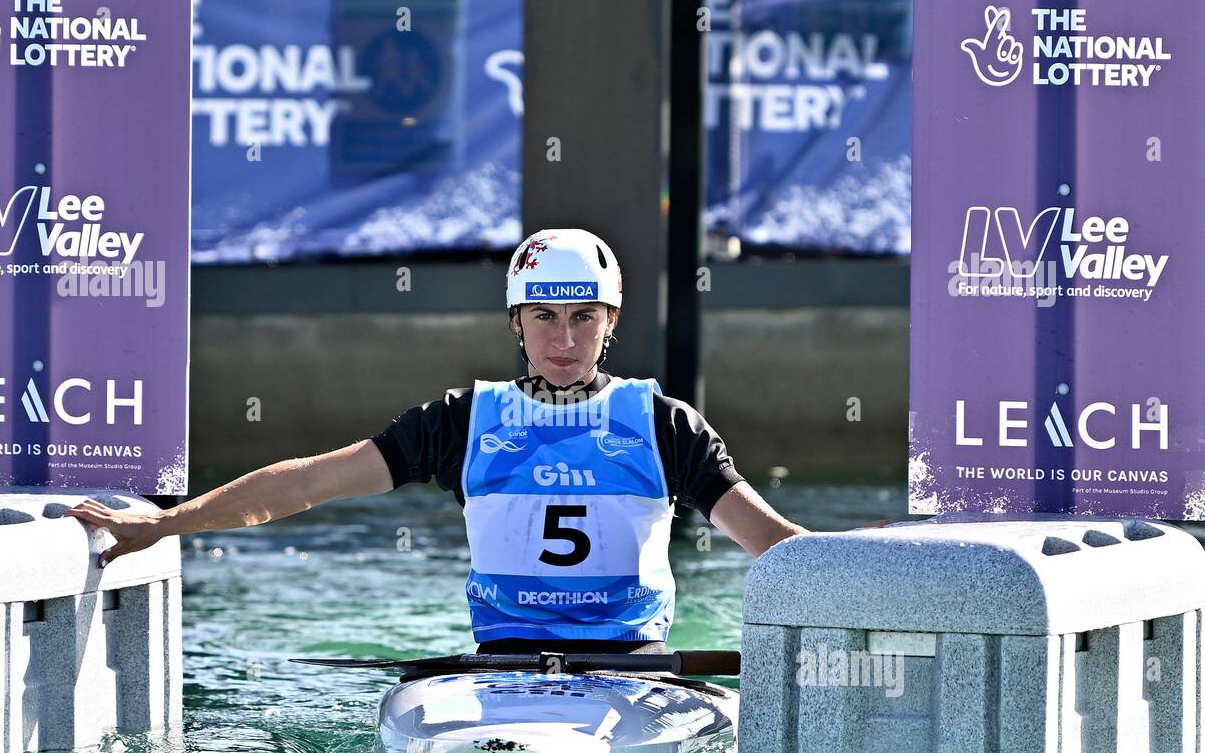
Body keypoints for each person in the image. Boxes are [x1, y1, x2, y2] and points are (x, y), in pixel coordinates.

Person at [66, 229, 809, 655]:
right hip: (500, 666)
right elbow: (304, 485)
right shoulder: (460, 421)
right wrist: (165, 522)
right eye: (544, 316)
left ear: (611, 323)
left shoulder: (663, 423)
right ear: (515, 322)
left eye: (585, 317)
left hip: (632, 669)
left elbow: (773, 545)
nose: (564, 337)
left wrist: (868, 557)